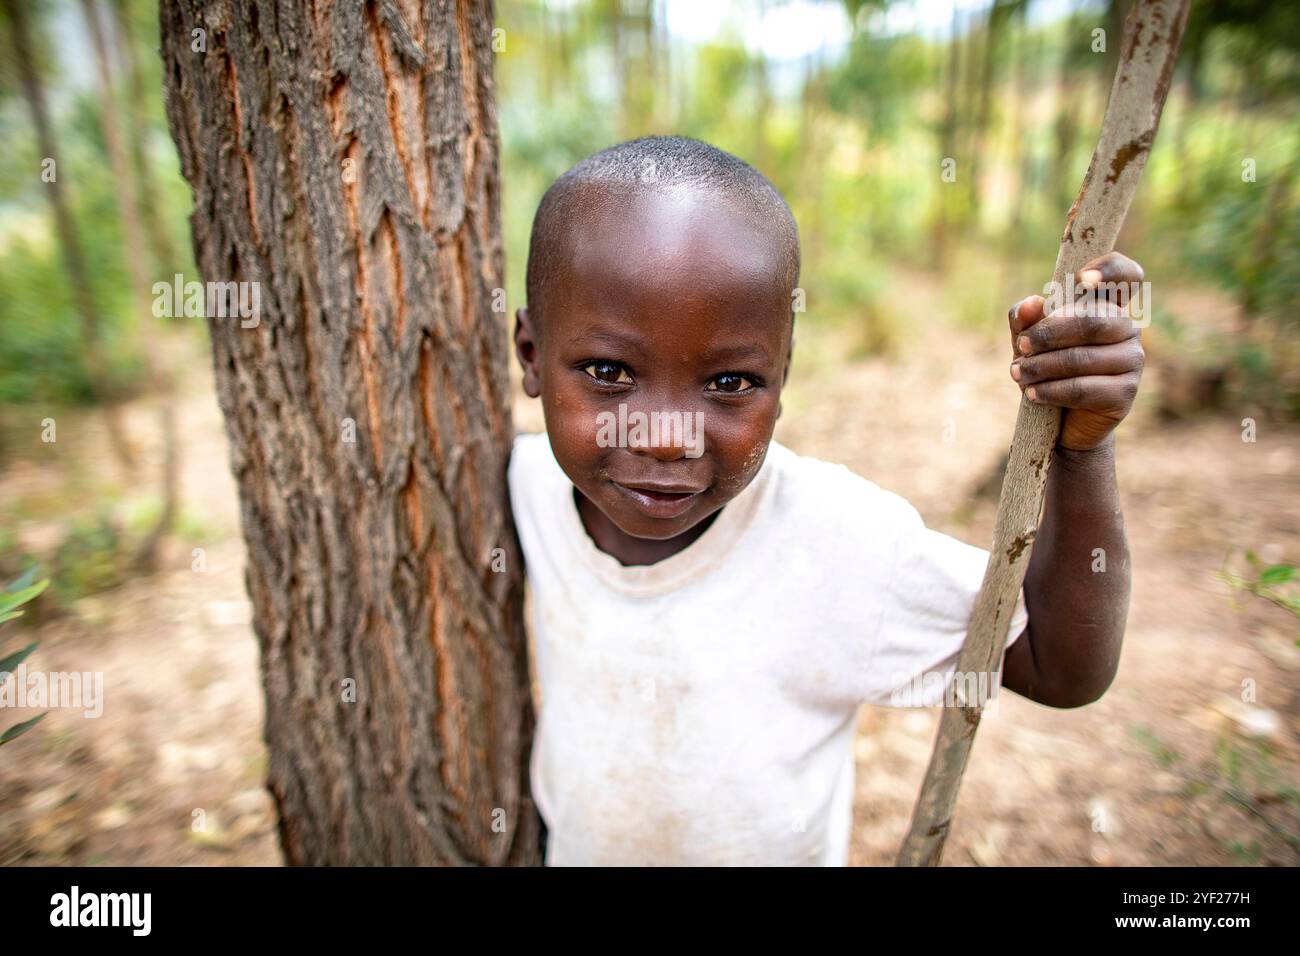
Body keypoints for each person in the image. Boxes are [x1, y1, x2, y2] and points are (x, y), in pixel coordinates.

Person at [507, 135, 1145, 865]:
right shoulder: (523, 487)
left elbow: (1060, 668)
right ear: (531, 355)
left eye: (729, 383)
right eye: (608, 370)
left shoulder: (837, 541)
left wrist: (1083, 448)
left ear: (784, 371)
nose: (666, 437)